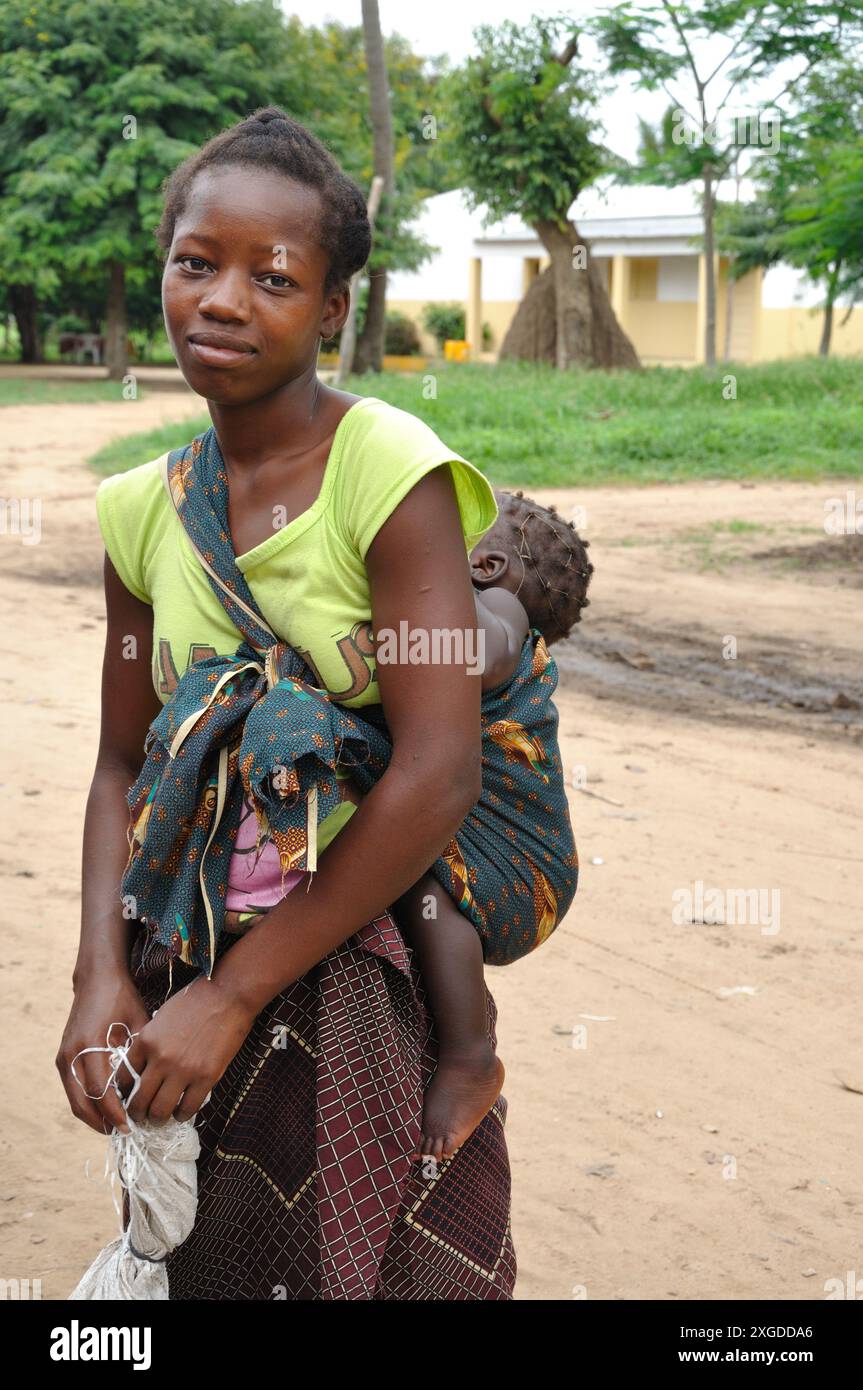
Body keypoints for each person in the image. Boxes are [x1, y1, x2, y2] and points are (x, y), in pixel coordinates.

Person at [56, 106, 517, 1300]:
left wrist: (235, 991)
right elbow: (121, 763)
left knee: (384, 1260)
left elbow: (434, 769)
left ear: (329, 312)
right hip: (186, 948)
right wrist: (99, 972)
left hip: (359, 951)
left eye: (272, 277)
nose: (220, 299)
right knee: (210, 1255)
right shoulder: (138, 512)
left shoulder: (387, 469)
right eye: (196, 262)